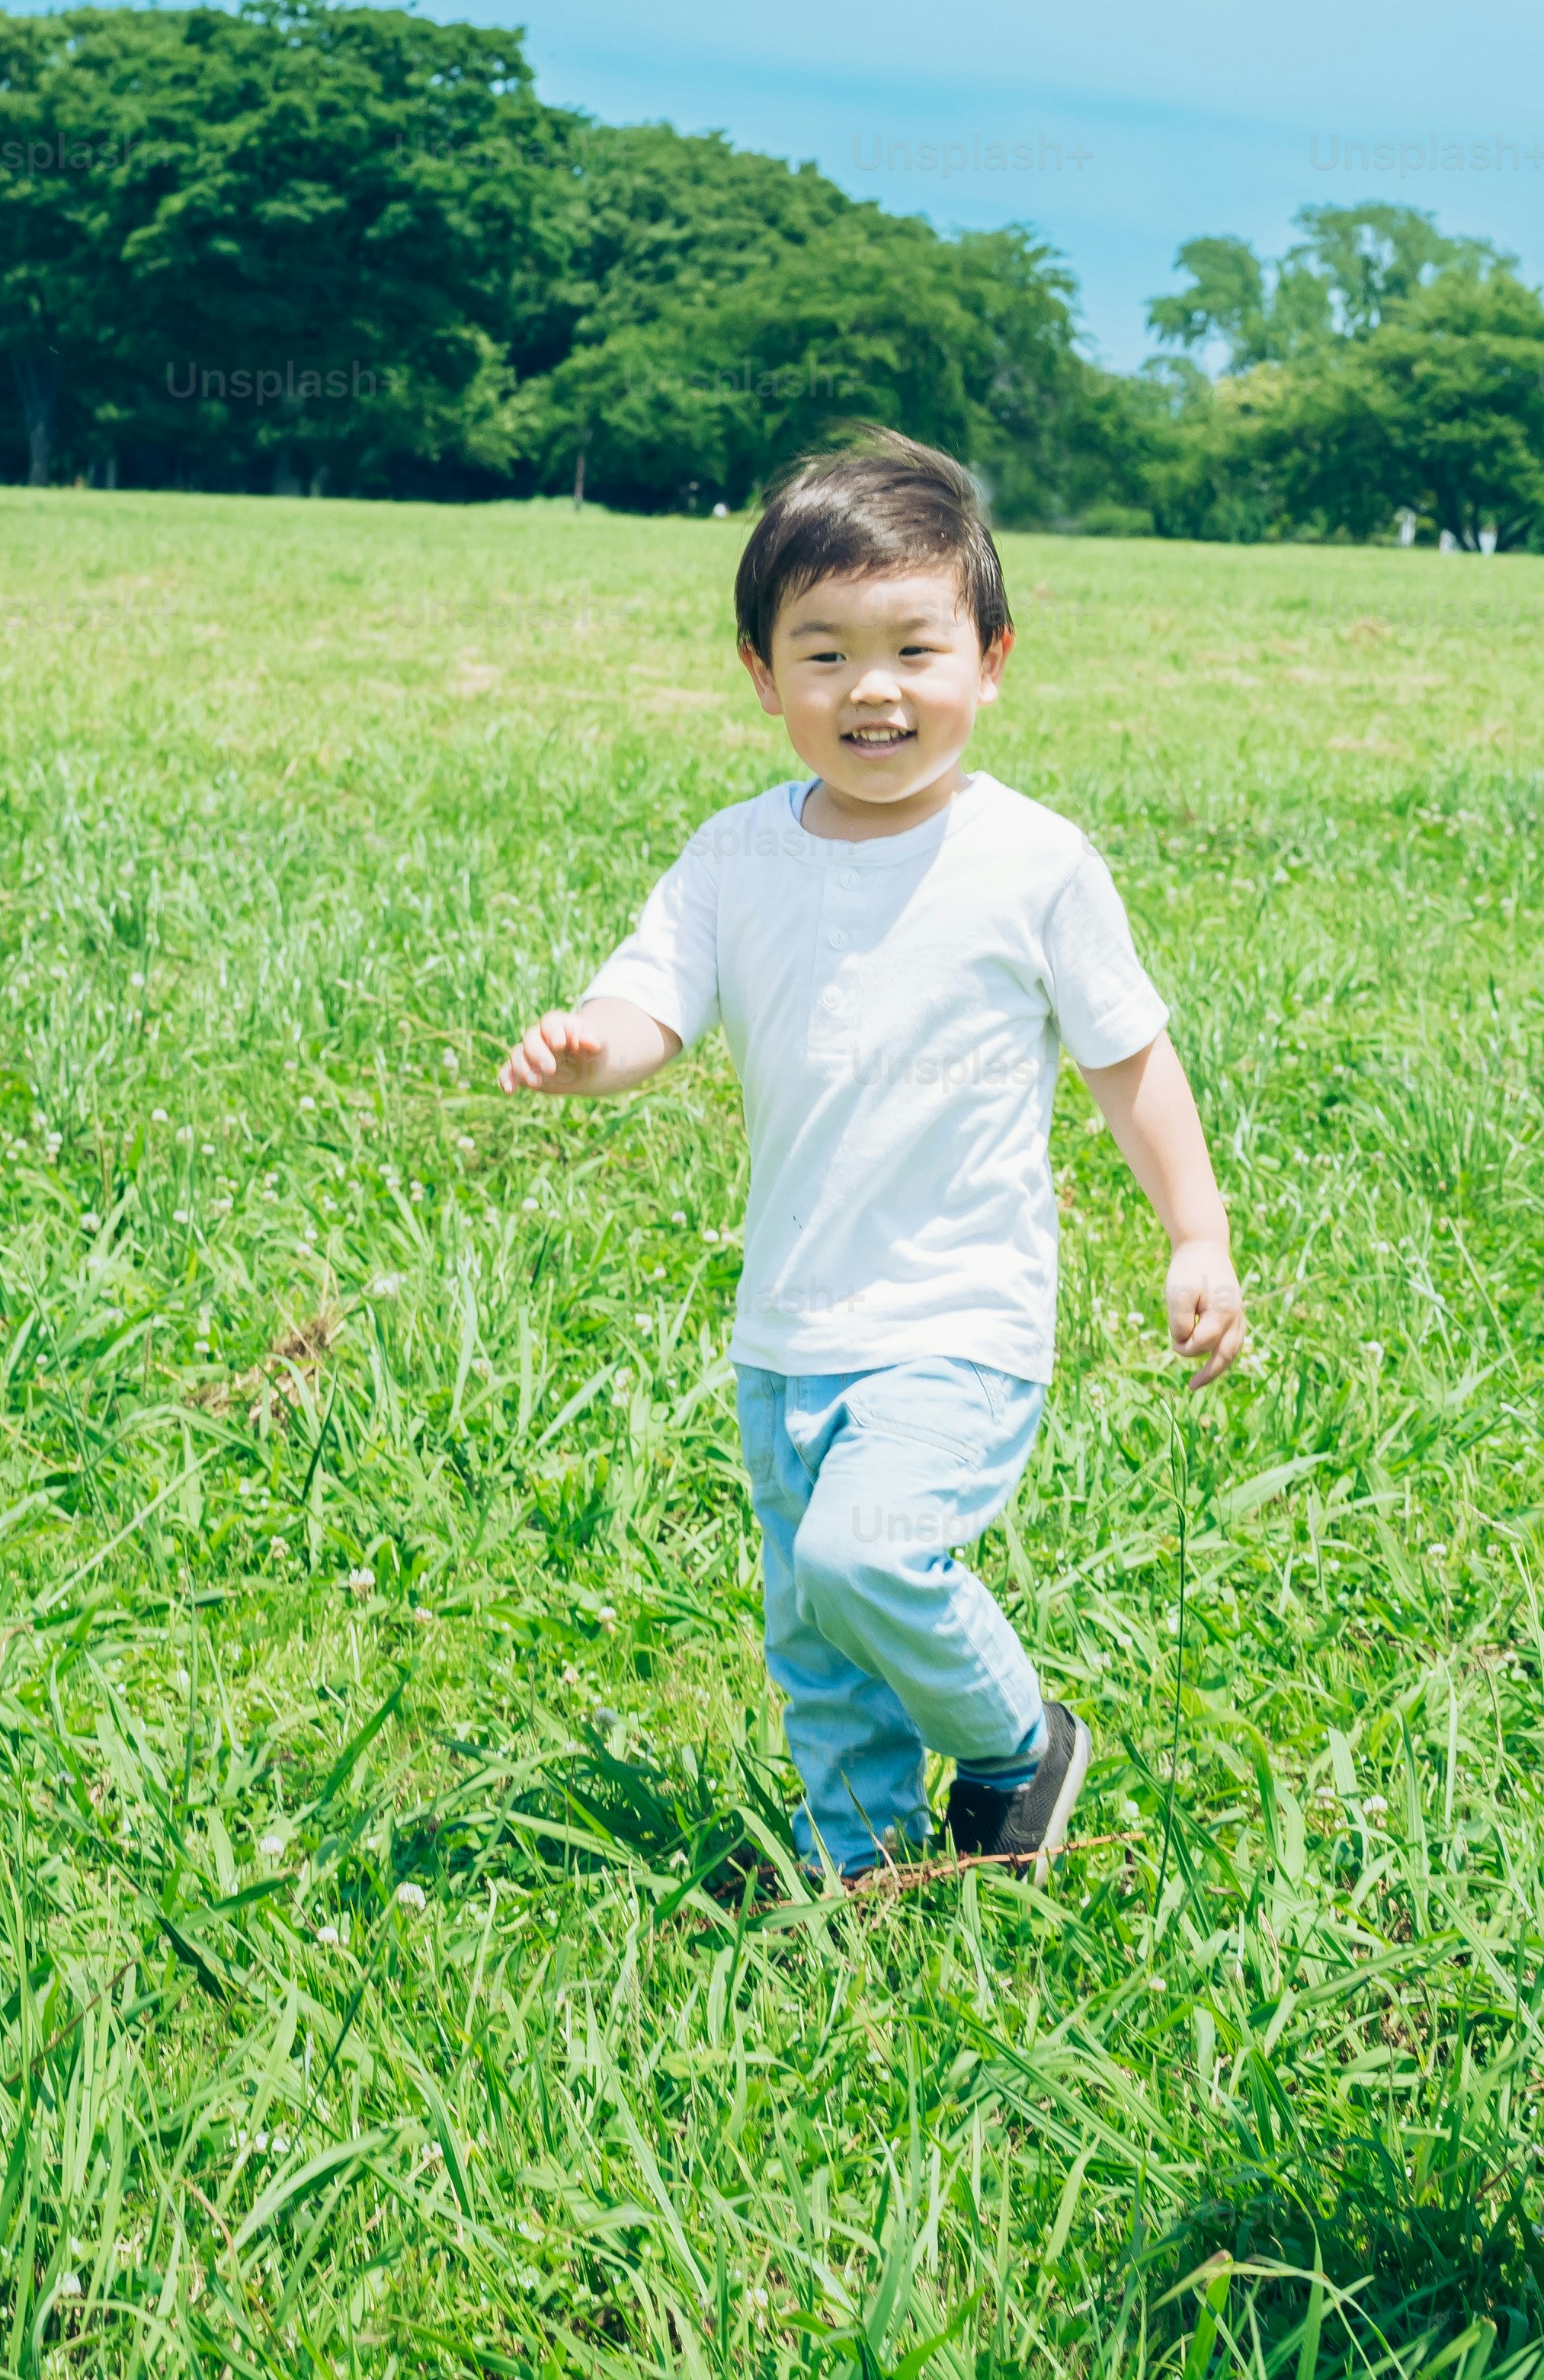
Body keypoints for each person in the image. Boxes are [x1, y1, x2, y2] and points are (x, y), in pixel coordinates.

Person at [497, 434, 1246, 1882]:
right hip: (786, 1331)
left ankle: (1019, 1743)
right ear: (764, 676)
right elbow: (652, 1003)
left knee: (866, 1559)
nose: (874, 689)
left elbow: (1127, 1057)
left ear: (992, 656)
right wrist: (593, 1046)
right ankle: (863, 1867)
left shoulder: (1032, 863)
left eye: (916, 646)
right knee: (815, 1633)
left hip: (958, 1322)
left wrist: (1194, 1234)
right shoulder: (735, 857)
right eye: (825, 653)